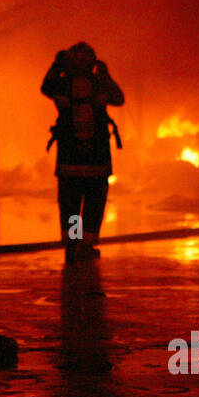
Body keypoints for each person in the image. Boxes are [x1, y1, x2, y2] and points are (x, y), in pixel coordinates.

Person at [41, 42, 124, 261]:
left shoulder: (62, 84)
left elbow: (46, 86)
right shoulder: (98, 84)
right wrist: (105, 75)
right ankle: (84, 246)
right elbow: (118, 98)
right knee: (93, 204)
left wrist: (56, 65)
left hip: (70, 159)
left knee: (71, 204)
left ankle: (74, 245)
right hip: (97, 160)